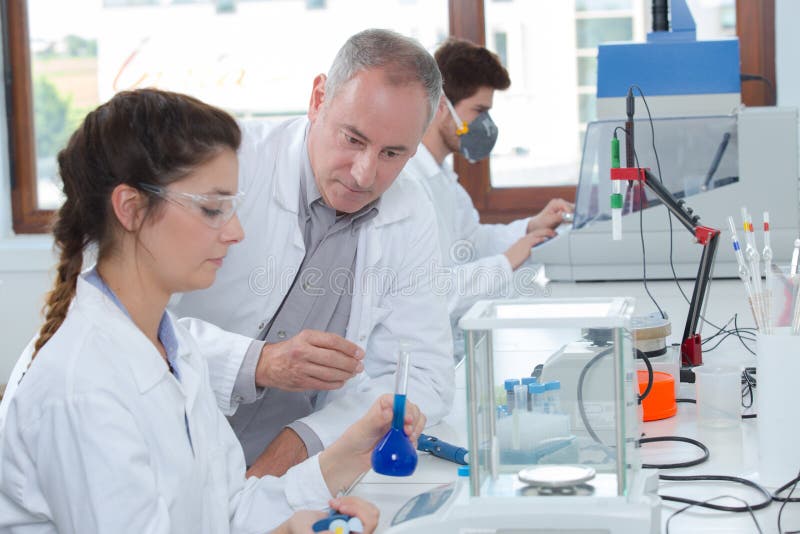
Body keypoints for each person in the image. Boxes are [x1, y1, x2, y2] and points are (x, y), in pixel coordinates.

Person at [0, 88, 425, 533]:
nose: (236, 231)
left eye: (232, 207)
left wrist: (347, 455)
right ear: (131, 208)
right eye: (211, 209)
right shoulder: (82, 386)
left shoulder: (173, 348)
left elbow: (229, 508)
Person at [170, 29, 454, 477]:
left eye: (393, 153)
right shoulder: (224, 165)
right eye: (353, 139)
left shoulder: (411, 208)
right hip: (169, 452)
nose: (364, 174)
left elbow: (424, 374)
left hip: (295, 473)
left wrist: (302, 441)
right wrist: (257, 363)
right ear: (318, 97)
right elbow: (122, 326)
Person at [403, 38, 575, 358]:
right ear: (441, 106)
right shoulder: (408, 182)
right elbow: (433, 291)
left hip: (450, 347)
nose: (485, 125)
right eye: (479, 111)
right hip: (418, 357)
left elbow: (473, 241)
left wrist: (530, 228)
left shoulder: (443, 179)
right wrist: (508, 260)